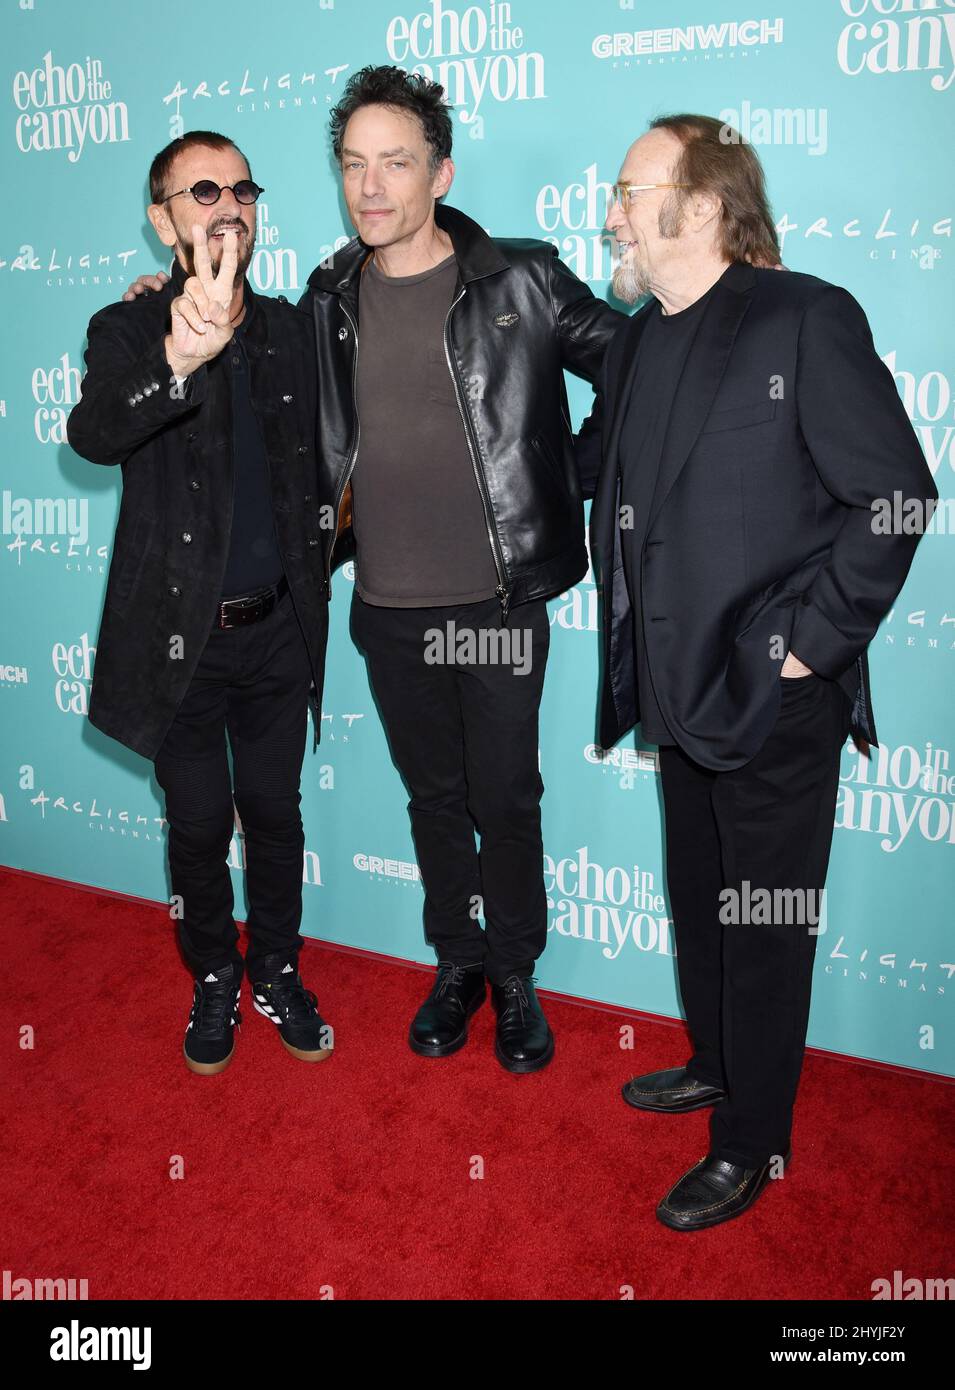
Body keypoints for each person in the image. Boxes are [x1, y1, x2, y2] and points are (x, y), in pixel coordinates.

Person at [576, 114, 937, 1229]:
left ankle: (750, 1142)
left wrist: (806, 648)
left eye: (629, 190)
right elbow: (587, 470)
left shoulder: (803, 318)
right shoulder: (639, 336)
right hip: (675, 689)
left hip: (775, 699)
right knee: (700, 898)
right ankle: (719, 1067)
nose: (610, 212)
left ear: (698, 202)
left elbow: (896, 497)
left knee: (763, 919)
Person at [301, 65, 623, 1071]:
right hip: (386, 603)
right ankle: (459, 962)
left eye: (395, 163)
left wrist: (568, 470)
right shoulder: (327, 297)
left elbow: (642, 363)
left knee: (505, 794)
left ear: (441, 172)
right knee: (433, 796)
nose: (371, 187)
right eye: (354, 165)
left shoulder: (519, 279)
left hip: (493, 604)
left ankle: (517, 976)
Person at [67, 131, 335, 1076]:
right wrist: (181, 351)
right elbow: (95, 433)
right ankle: (214, 976)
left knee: (275, 812)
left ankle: (277, 969)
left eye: (243, 189)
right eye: (203, 190)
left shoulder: (295, 327)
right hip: (176, 645)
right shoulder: (127, 330)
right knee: (195, 824)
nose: (229, 205)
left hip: (278, 635)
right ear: (163, 218)